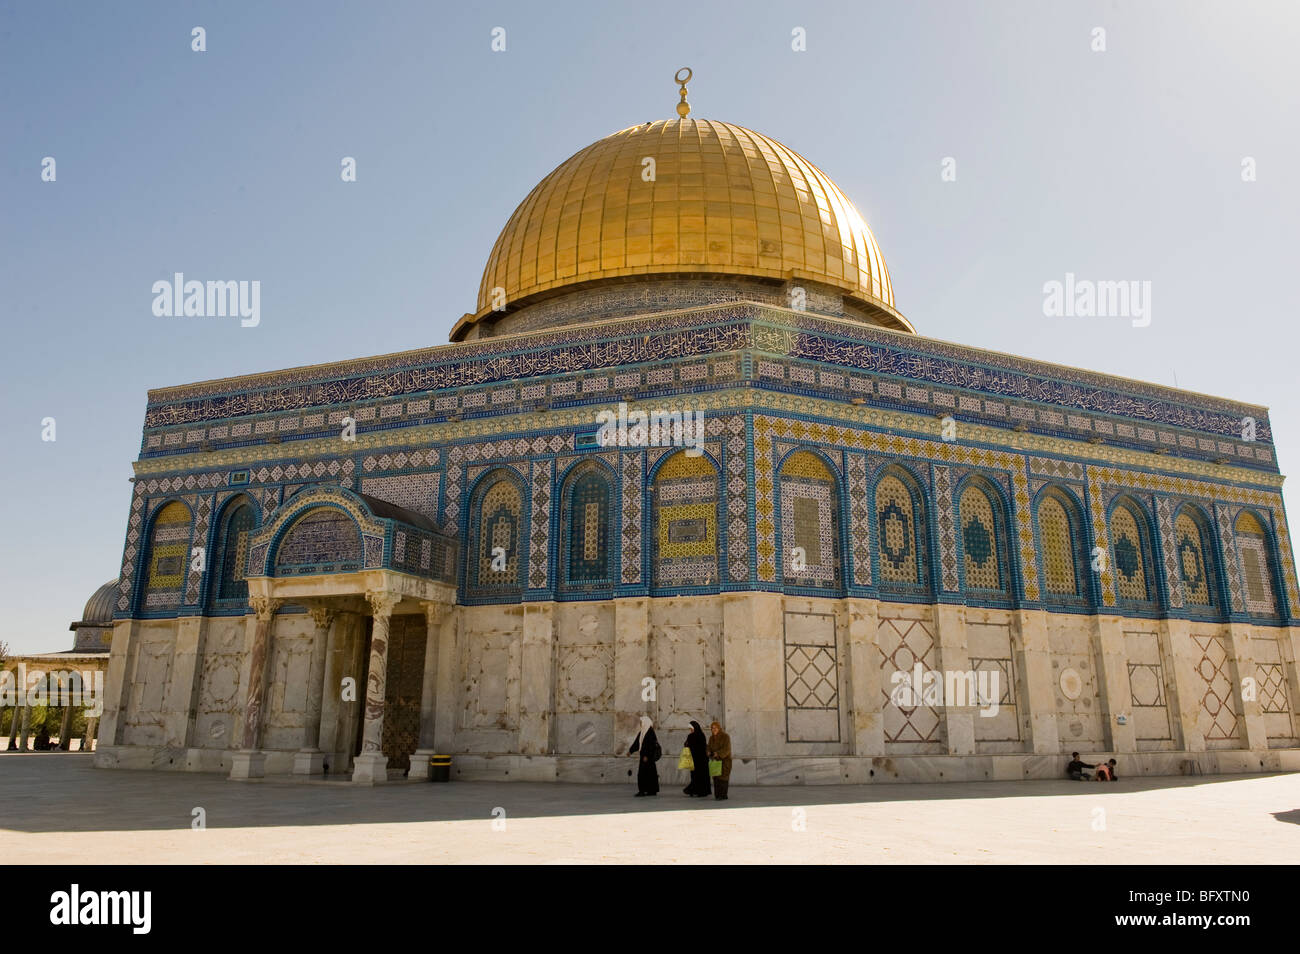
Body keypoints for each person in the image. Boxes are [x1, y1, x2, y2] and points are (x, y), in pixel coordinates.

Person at [628, 716, 660, 796]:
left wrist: (647, 756)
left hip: (648, 758)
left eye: (641, 722)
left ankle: (647, 790)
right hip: (643, 757)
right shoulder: (642, 732)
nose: (640, 723)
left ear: (646, 722)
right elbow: (637, 743)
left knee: (646, 774)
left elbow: (651, 746)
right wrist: (630, 751)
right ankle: (647, 790)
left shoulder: (650, 732)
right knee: (645, 774)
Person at [683, 720, 711, 796]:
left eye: (691, 729)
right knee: (696, 776)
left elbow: (700, 747)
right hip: (696, 759)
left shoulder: (697, 735)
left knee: (700, 776)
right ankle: (696, 790)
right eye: (690, 729)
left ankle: (700, 791)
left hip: (700, 760)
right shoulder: (696, 735)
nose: (691, 730)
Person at [707, 720, 732, 800]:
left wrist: (718, 753)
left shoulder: (725, 736)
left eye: (715, 728)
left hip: (724, 762)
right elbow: (709, 747)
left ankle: (723, 795)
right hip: (715, 761)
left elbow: (727, 749)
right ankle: (717, 795)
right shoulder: (711, 738)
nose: (714, 729)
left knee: (723, 778)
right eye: (712, 728)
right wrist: (708, 752)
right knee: (716, 778)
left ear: (719, 728)